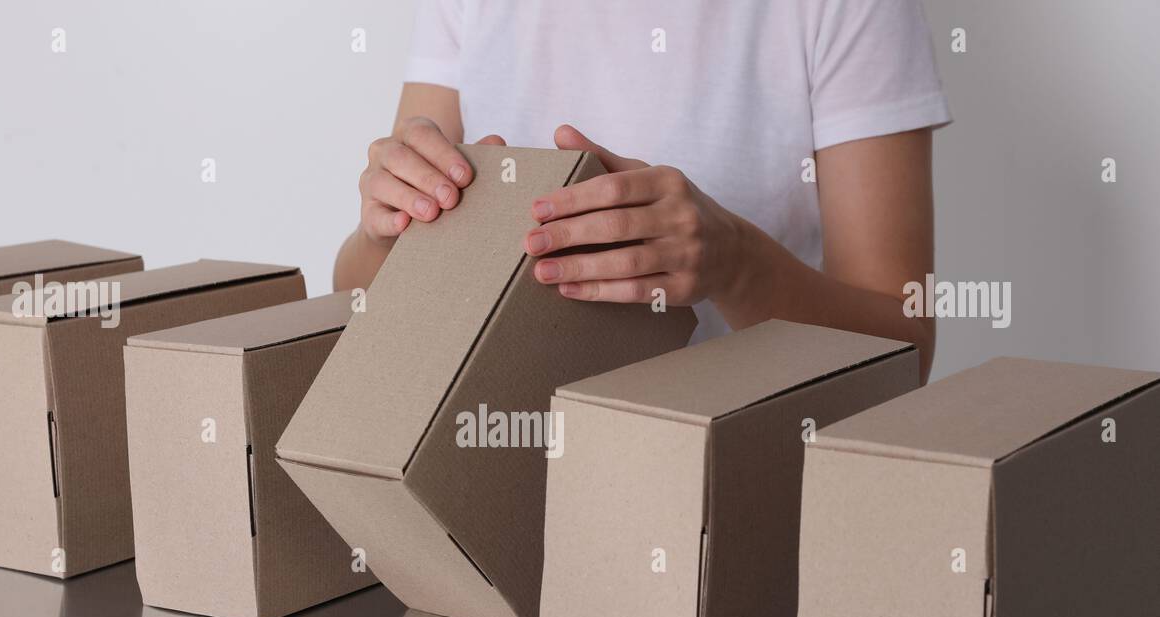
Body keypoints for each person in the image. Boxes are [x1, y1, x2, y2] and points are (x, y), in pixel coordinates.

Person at [334, 0, 950, 383]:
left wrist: (737, 264)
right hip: (501, 485)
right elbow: (356, 299)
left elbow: (906, 348)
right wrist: (389, 226)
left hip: (738, 490)